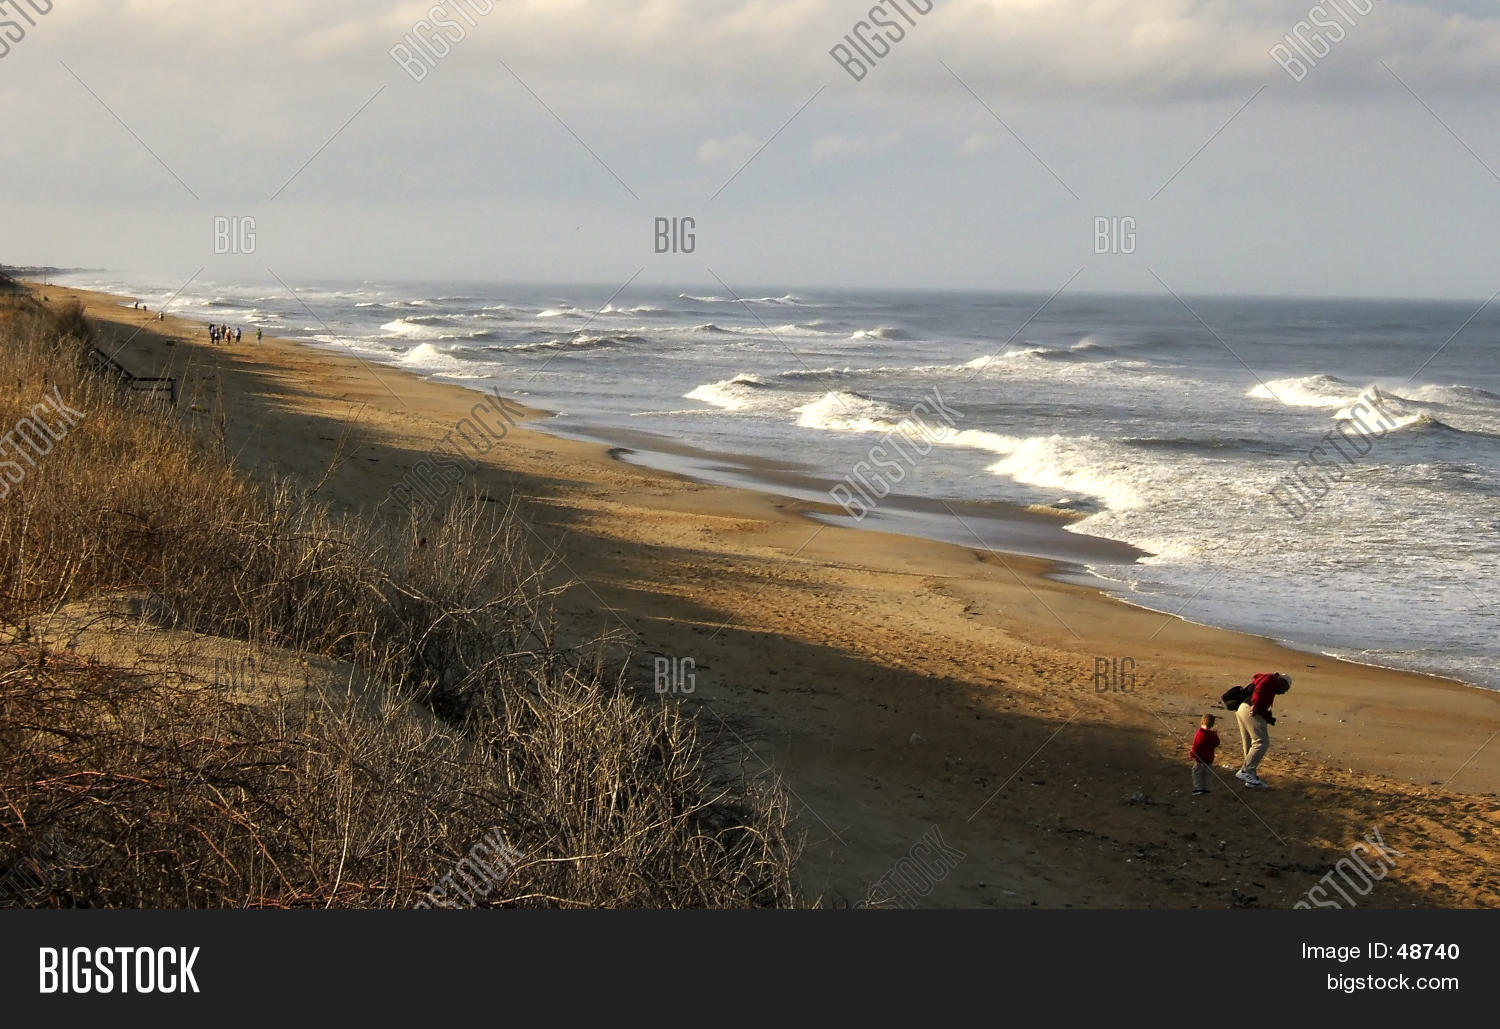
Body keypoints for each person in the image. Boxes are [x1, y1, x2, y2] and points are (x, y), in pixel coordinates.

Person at [1235, 671, 1292, 788]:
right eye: (1285, 689)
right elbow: (1260, 690)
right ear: (1282, 682)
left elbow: (1260, 692)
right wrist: (1256, 705)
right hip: (1250, 709)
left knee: (1250, 744)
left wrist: (1267, 717)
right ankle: (1246, 771)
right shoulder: (1271, 680)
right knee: (1261, 742)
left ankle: (1250, 778)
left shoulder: (1270, 682)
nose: (1284, 692)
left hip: (1242, 708)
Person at [1189, 713, 1219, 795]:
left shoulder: (1200, 734)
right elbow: (1217, 743)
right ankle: (1207, 788)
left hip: (1200, 759)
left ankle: (1198, 788)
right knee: (1207, 774)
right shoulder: (1213, 735)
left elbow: (1196, 746)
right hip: (1209, 759)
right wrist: (1215, 735)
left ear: (1202, 722)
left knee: (1197, 773)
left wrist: (1191, 754)